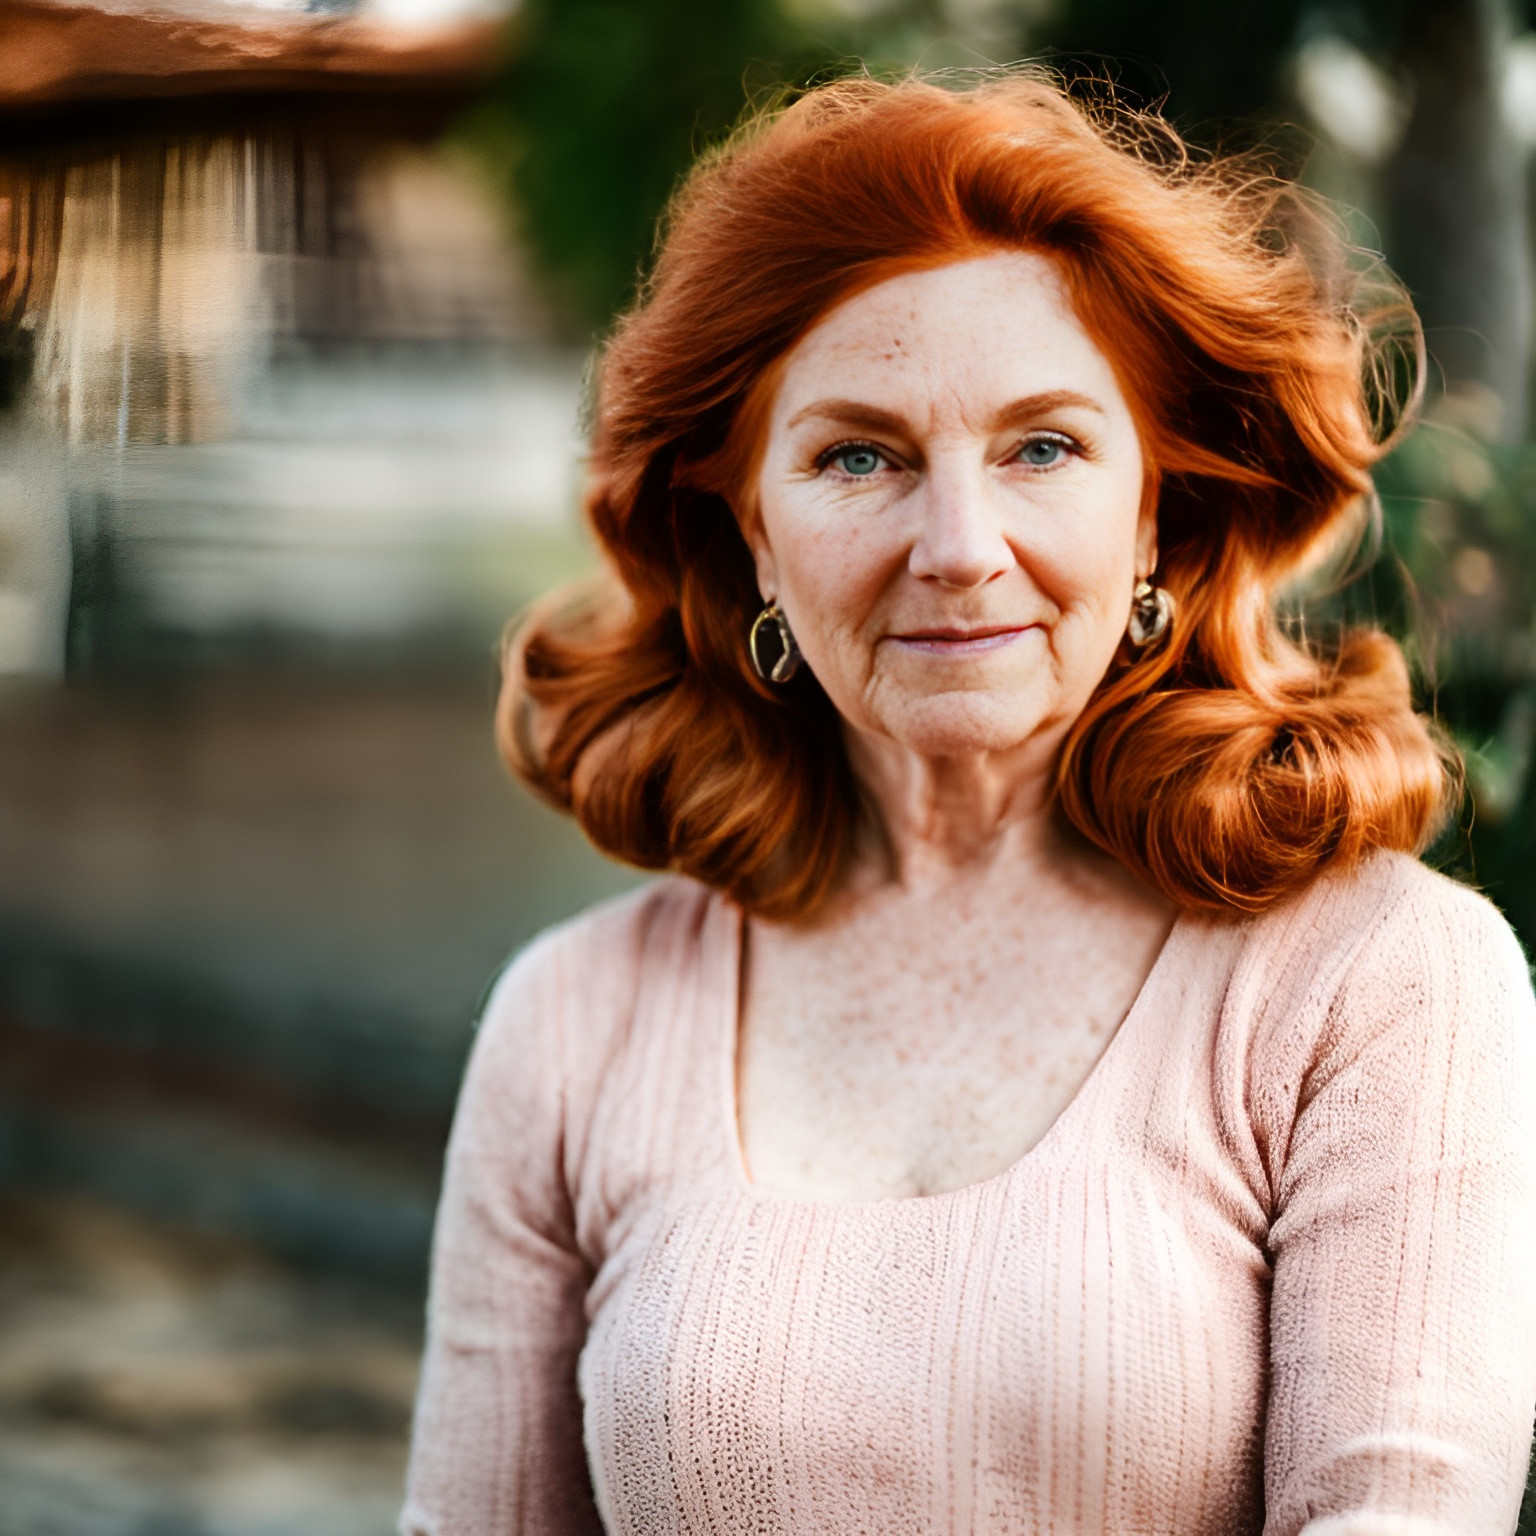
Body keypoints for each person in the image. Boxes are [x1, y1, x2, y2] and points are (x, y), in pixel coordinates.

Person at [400, 71, 1536, 1536]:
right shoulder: (572, 1020)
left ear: (1155, 512)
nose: (959, 547)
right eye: (856, 455)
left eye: (1043, 447)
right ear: (749, 530)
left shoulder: (1378, 983)